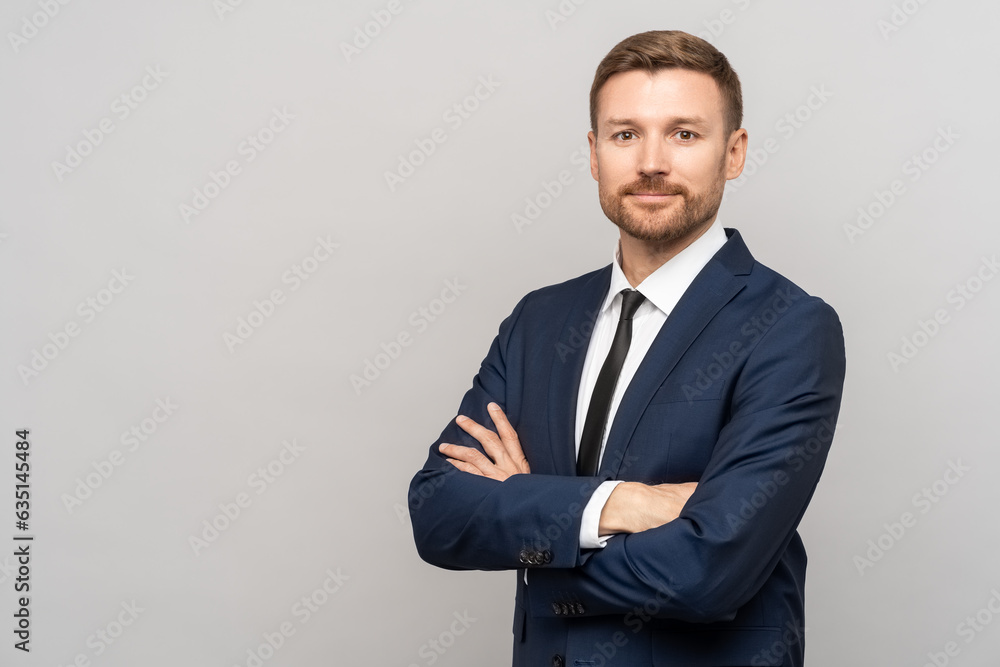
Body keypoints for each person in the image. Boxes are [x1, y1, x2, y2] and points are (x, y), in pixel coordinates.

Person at [407, 29, 846, 667]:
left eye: (685, 134)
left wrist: (533, 527)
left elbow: (710, 570)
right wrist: (625, 503)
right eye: (625, 134)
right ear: (593, 153)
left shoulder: (790, 328)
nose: (651, 163)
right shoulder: (540, 320)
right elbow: (439, 514)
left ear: (734, 151)